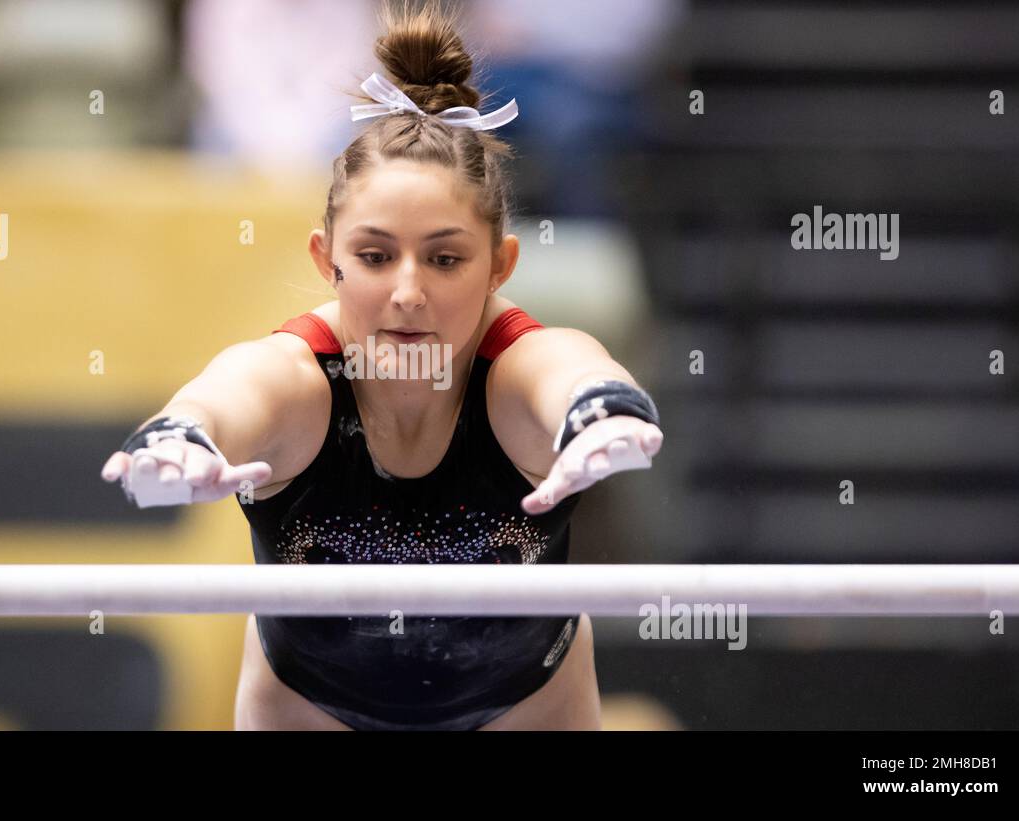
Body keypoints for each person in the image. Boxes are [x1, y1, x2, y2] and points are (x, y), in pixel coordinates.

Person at [99, 2, 663, 731]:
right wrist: (183, 434)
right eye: (373, 255)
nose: (407, 291)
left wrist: (600, 409)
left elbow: (573, 371)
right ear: (324, 259)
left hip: (523, 705)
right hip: (309, 707)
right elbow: (226, 395)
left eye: (445, 257)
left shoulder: (515, 371)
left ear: (499, 265)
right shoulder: (299, 380)